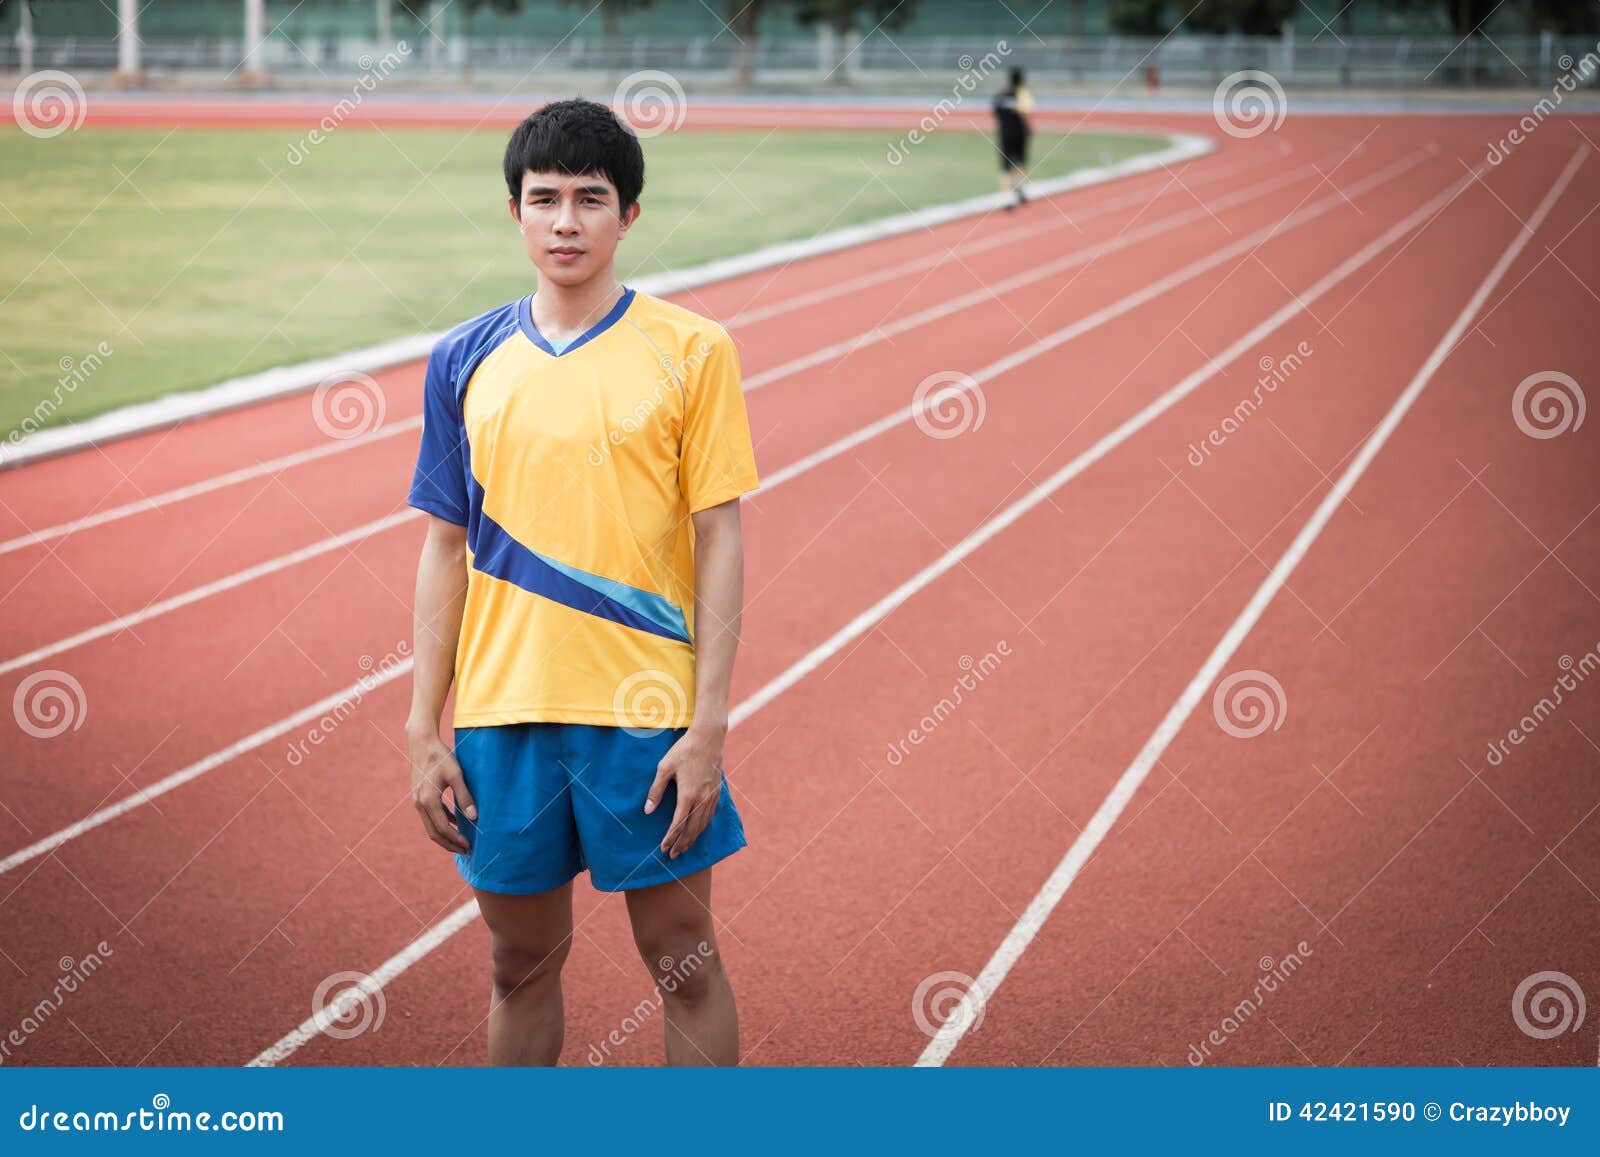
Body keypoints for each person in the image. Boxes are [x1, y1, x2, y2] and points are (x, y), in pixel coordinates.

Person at [405, 98, 761, 1066]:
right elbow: (443, 546)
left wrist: (709, 723)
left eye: (590, 199)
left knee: (683, 959)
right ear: (514, 211)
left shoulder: (693, 350)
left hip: (644, 711)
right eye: (545, 198)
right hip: (502, 712)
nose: (566, 221)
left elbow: (720, 537)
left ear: (628, 215)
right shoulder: (461, 359)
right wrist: (422, 726)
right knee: (517, 963)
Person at [993, 66, 1034, 208]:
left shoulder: (1000, 95)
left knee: (1005, 165)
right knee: (1021, 161)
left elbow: (995, 112)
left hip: (1004, 133)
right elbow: (1027, 110)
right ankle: (1021, 189)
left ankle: (1006, 196)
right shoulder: (1022, 94)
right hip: (1020, 133)